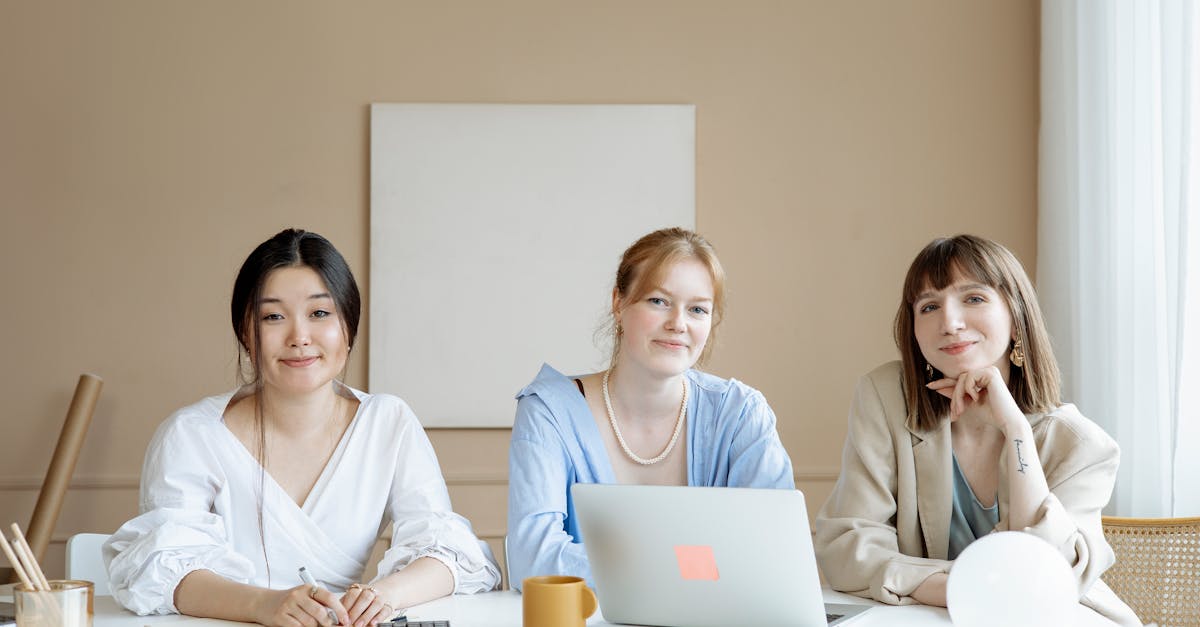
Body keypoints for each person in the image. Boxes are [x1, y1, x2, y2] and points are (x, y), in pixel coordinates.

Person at [104, 229, 500, 627]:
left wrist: (382, 597)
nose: (299, 337)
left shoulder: (388, 422)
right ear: (246, 333)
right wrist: (265, 605)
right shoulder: (191, 435)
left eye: (320, 314)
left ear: (348, 327)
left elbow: (448, 552)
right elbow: (162, 570)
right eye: (273, 316)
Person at [814, 235, 1138, 625]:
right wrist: (960, 588)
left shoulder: (1082, 445)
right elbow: (848, 547)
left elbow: (1044, 575)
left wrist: (1015, 428)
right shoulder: (885, 398)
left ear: (1016, 319)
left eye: (974, 299)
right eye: (929, 306)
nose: (949, 323)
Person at [506, 227, 795, 590]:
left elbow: (773, 554)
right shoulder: (548, 412)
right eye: (658, 301)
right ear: (618, 303)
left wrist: (635, 568)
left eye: (697, 309)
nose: (678, 323)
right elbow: (531, 560)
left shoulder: (741, 414)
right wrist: (686, 570)